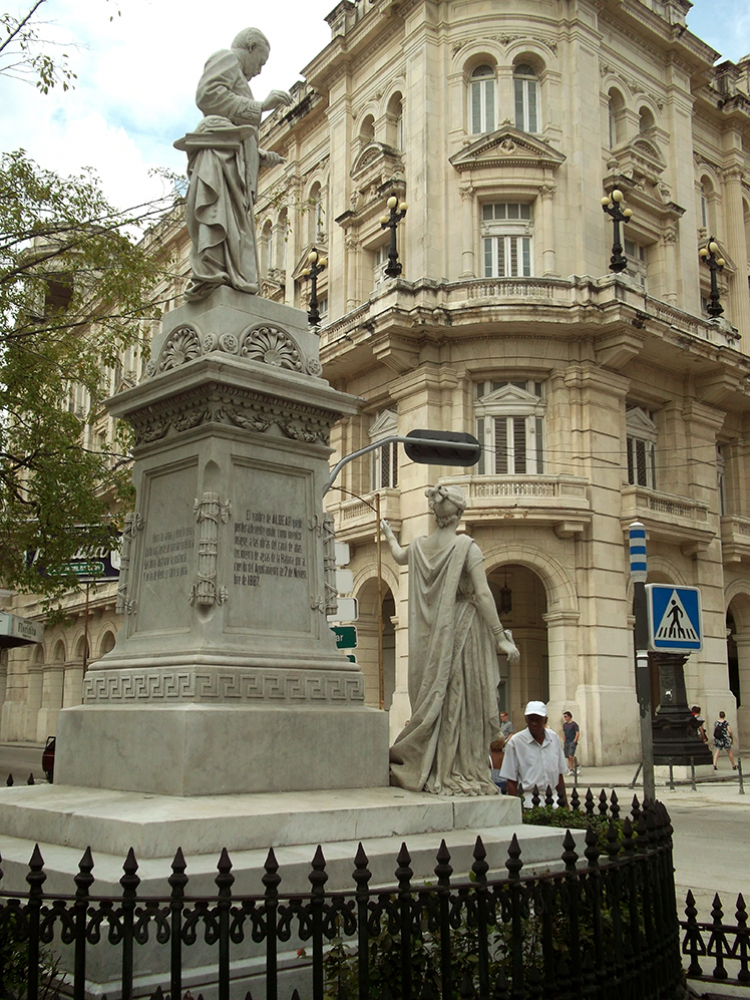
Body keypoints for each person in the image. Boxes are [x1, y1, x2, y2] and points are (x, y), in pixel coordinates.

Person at [381, 484, 520, 796]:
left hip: (433, 637)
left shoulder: (418, 546)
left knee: (442, 699)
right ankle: (456, 768)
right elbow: (483, 593)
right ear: (459, 513)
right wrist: (501, 638)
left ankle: (436, 765)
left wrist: (389, 535)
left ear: (436, 513)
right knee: (461, 699)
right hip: (462, 629)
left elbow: (399, 555)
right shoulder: (466, 547)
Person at [175, 28, 292, 301]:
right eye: (260, 62)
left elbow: (236, 134)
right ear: (249, 48)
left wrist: (261, 156)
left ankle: (222, 274)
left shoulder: (239, 75)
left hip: (230, 161)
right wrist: (262, 105)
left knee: (231, 225)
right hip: (218, 160)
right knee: (220, 217)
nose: (259, 71)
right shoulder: (226, 59)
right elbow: (208, 96)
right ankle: (214, 272)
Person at [499, 701, 568, 807]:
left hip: (554, 799)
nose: (534, 723)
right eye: (531, 719)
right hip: (530, 800)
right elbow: (511, 779)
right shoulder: (516, 742)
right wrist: (515, 808)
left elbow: (559, 774)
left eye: (538, 720)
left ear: (545, 720)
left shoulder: (554, 738)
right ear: (526, 719)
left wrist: (565, 803)